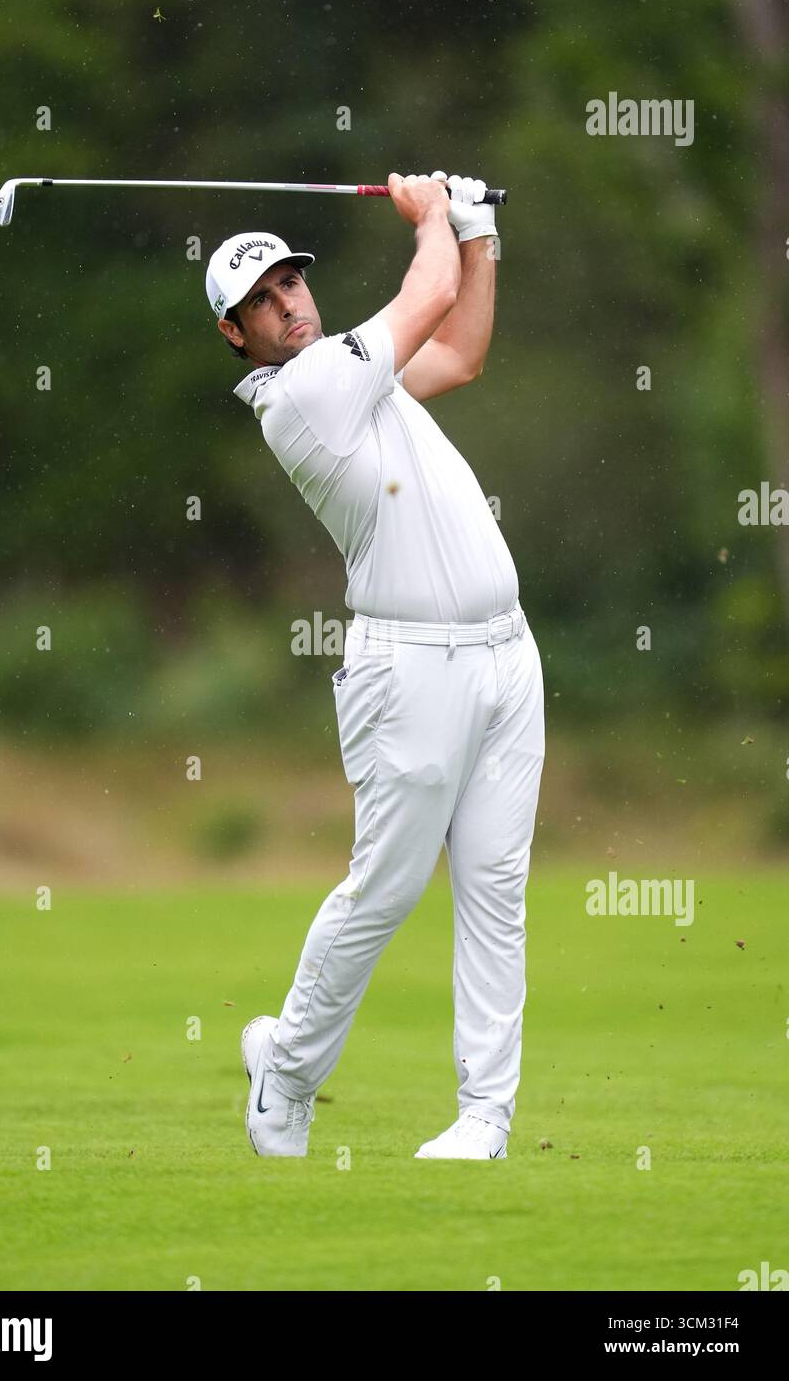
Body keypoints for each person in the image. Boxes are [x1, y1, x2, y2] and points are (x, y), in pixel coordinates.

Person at [206, 171, 545, 1160]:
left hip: (505, 654)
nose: (285, 305)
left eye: (288, 284)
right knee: (386, 888)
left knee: (495, 886)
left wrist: (477, 231)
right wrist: (432, 212)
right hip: (408, 669)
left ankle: (485, 1115)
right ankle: (290, 1074)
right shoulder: (304, 392)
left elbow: (463, 348)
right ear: (237, 334)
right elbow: (426, 294)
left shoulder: (360, 372)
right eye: (259, 303)